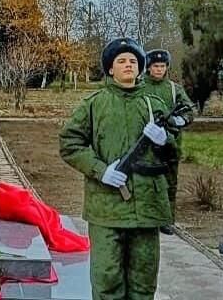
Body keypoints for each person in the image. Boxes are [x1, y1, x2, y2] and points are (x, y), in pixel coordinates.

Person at [59, 37, 172, 300]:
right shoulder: (94, 104)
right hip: (106, 208)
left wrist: (165, 141)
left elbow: (174, 154)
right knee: (107, 279)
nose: (128, 65)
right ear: (110, 69)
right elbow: (69, 143)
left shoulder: (154, 104)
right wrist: (101, 170)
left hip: (147, 207)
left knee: (143, 283)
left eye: (133, 61)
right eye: (121, 61)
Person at [144, 48, 194, 233]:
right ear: (148, 68)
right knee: (146, 182)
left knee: (169, 183)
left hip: (170, 145)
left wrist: (175, 121)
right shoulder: (140, 86)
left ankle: (167, 220)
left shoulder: (174, 89)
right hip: (146, 143)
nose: (159, 70)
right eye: (155, 66)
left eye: (162, 66)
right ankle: (147, 219)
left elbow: (189, 111)